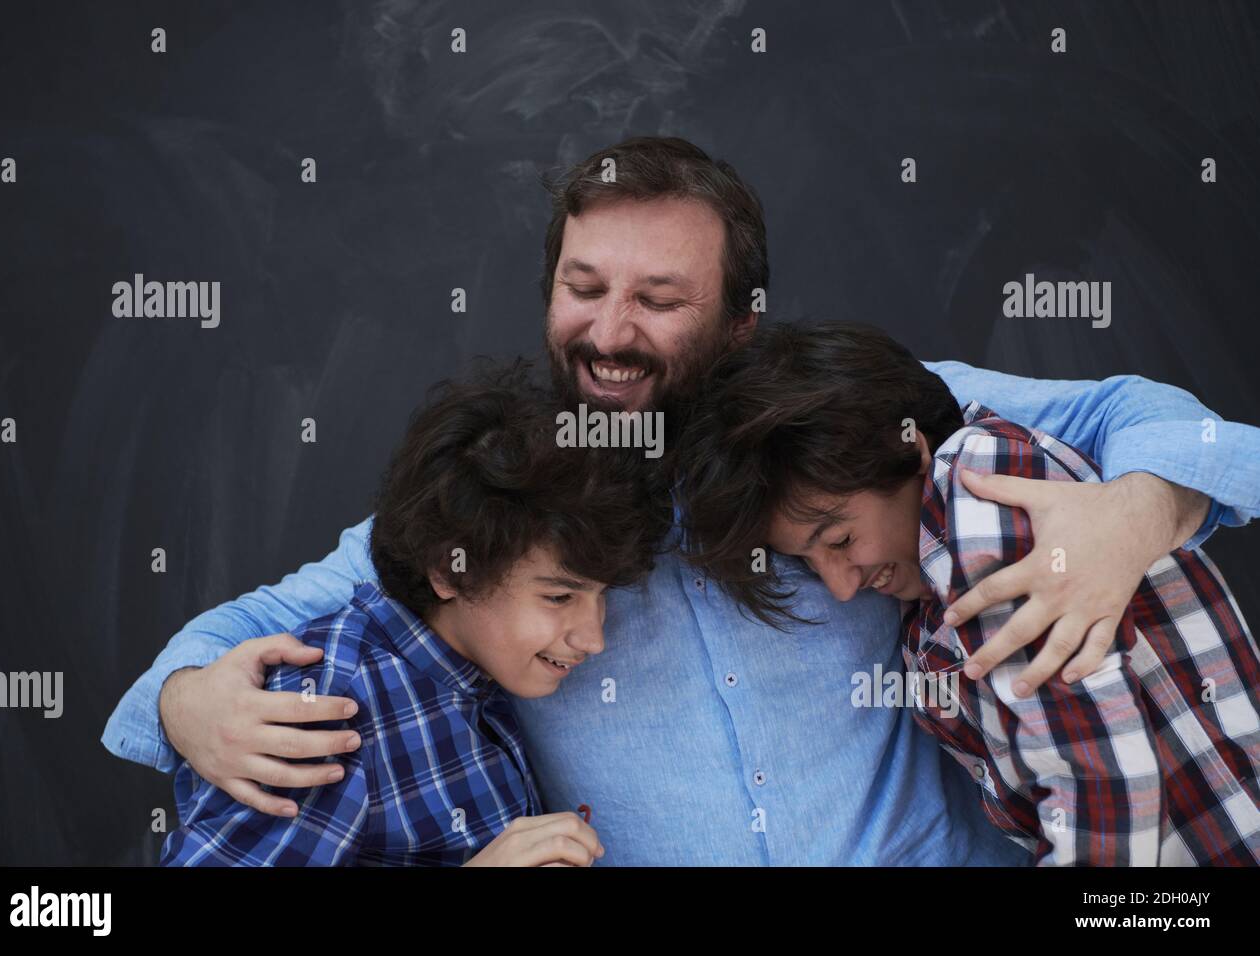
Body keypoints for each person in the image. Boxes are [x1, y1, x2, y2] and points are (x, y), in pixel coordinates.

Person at [106, 137, 1259, 865]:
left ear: (741, 321)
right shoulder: (492, 507)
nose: (608, 332)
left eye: (658, 298)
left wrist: (1132, 518)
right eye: (583, 287)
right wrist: (185, 702)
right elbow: (243, 632)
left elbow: (1196, 433)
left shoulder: (858, 417)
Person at [673, 321, 1260, 865]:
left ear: (909, 451)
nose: (841, 586)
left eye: (840, 540)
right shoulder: (935, 557)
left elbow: (1104, 792)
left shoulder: (978, 490)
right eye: (807, 561)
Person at [161, 363, 670, 865]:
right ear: (449, 572)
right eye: (559, 598)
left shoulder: (480, 675)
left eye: (602, 595)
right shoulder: (327, 704)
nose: (594, 639)